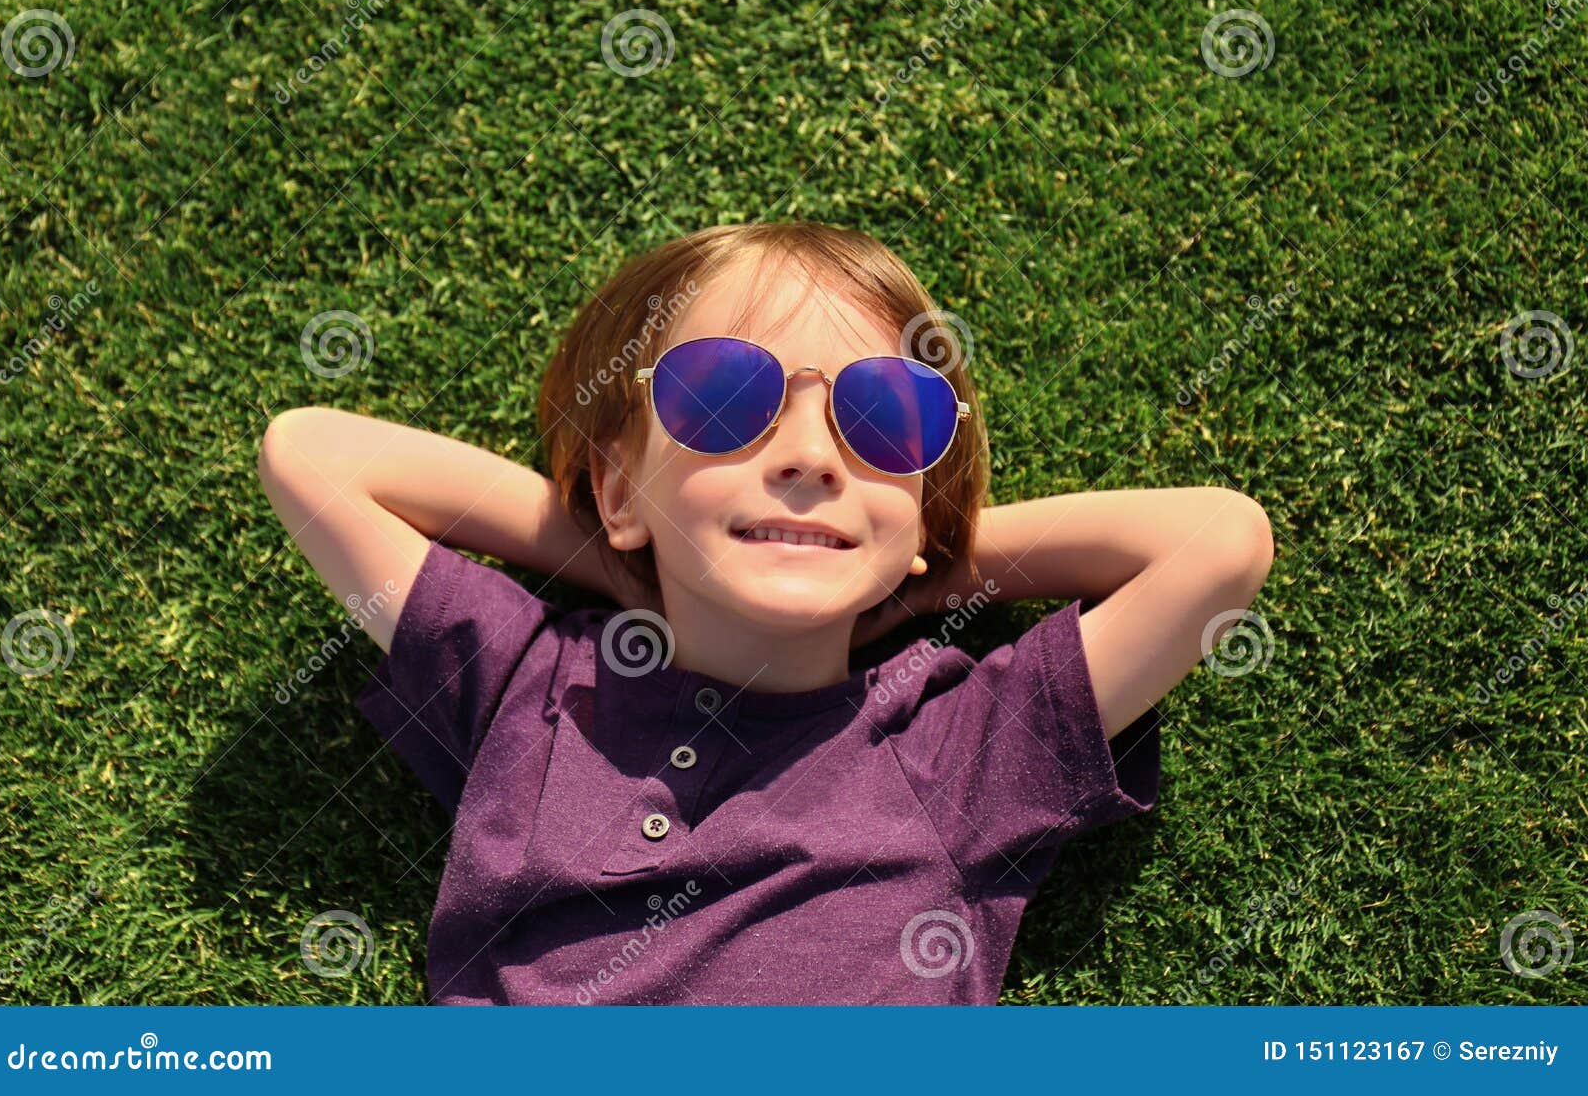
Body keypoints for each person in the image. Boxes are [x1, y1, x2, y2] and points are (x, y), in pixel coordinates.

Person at [257, 220, 1274, 1004]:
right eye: (723, 397)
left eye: (883, 421)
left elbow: (1215, 544)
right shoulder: (534, 682)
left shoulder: (956, 746)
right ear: (620, 492)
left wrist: (922, 562)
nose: (808, 453)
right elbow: (311, 456)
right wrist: (624, 561)